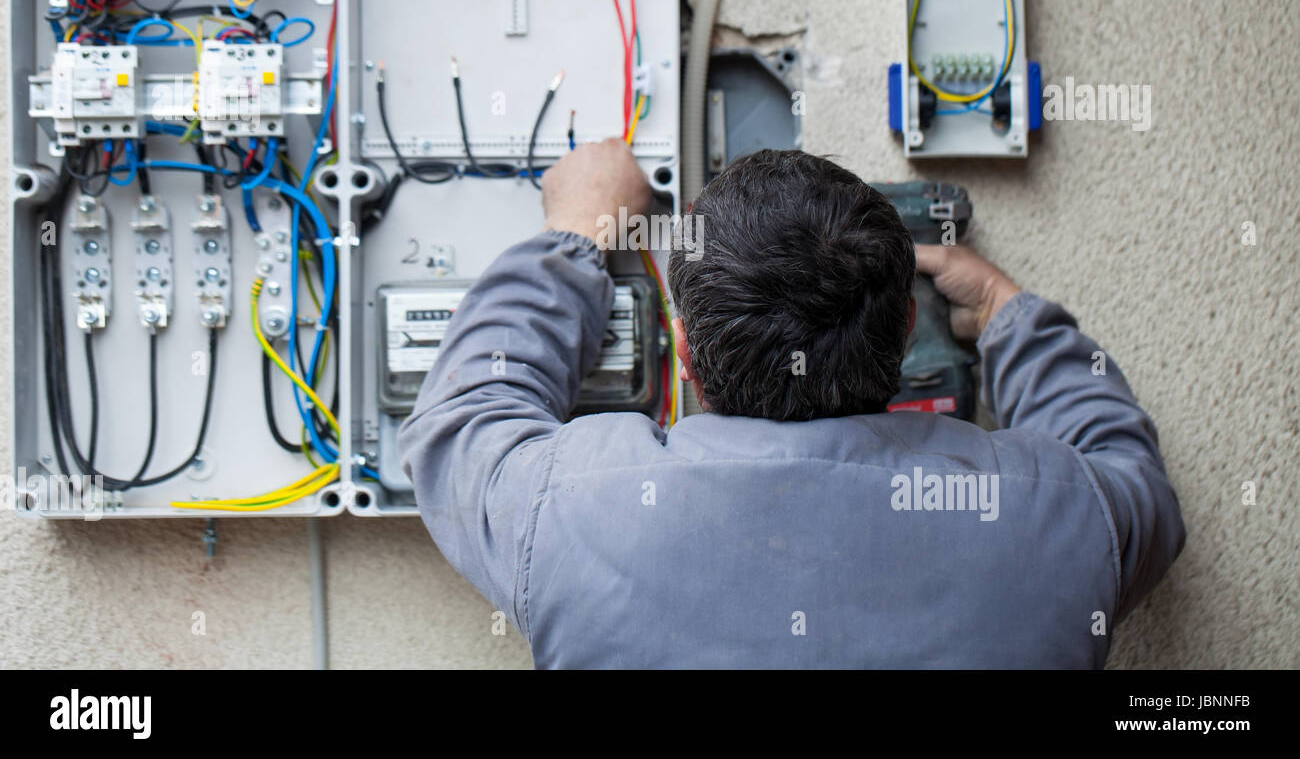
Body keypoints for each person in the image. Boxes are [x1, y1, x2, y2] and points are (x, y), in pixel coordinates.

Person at [398, 140, 1185, 668]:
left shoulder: (565, 514)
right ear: (907, 326)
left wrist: (575, 232)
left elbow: (460, 423)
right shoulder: (1064, 522)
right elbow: (1130, 473)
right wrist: (1015, 318)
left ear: (687, 352)